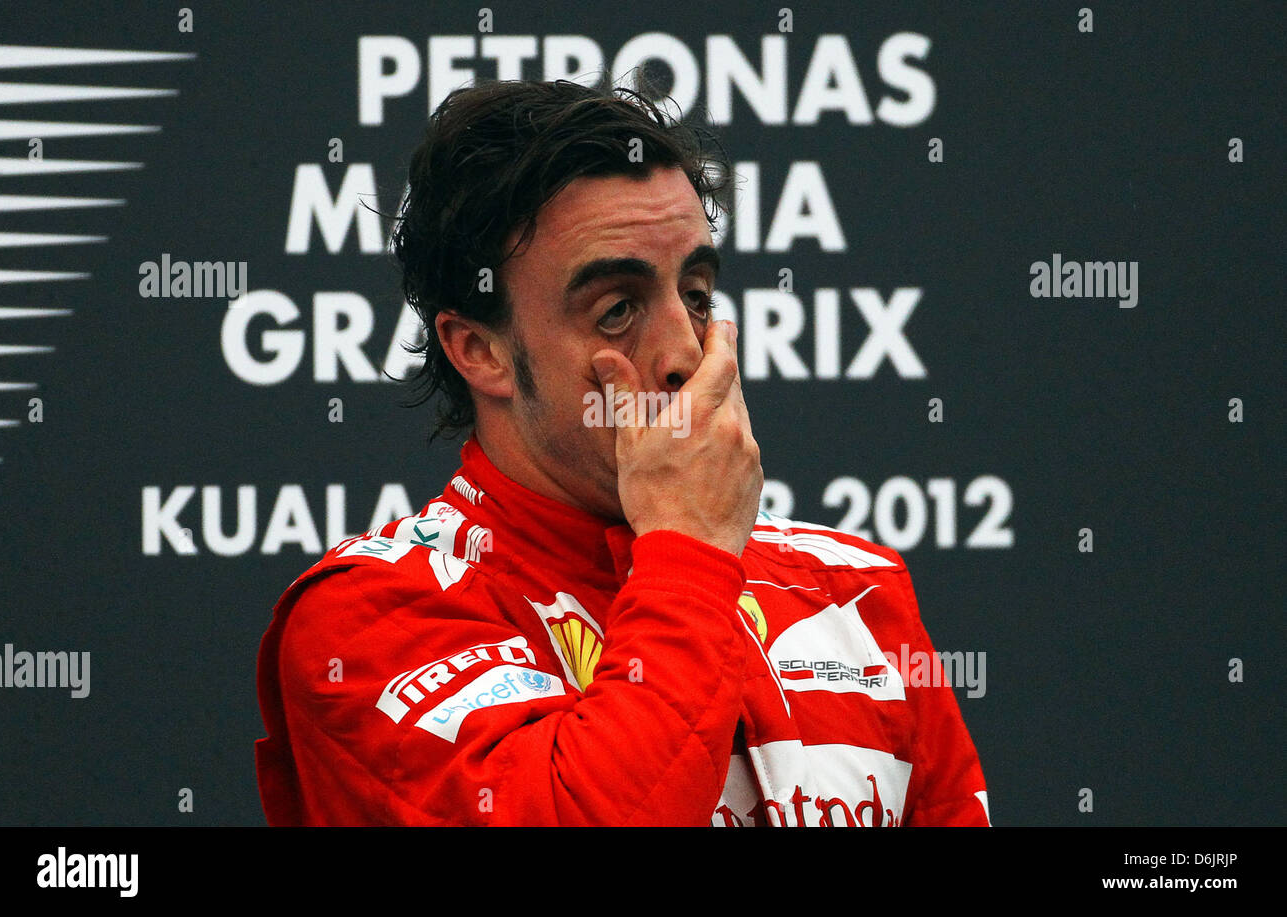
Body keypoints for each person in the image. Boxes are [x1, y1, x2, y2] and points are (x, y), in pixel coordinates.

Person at [254, 78, 990, 827]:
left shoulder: (856, 593)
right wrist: (688, 556)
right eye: (616, 309)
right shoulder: (368, 620)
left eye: (698, 293)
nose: (682, 351)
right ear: (481, 350)